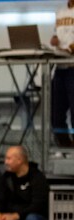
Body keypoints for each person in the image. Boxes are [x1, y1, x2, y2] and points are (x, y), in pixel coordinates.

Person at [52, 2, 74, 146]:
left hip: (73, 66)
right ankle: (64, 146)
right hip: (60, 67)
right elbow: (57, 35)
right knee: (56, 112)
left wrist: (70, 49)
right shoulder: (60, 12)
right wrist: (54, 40)